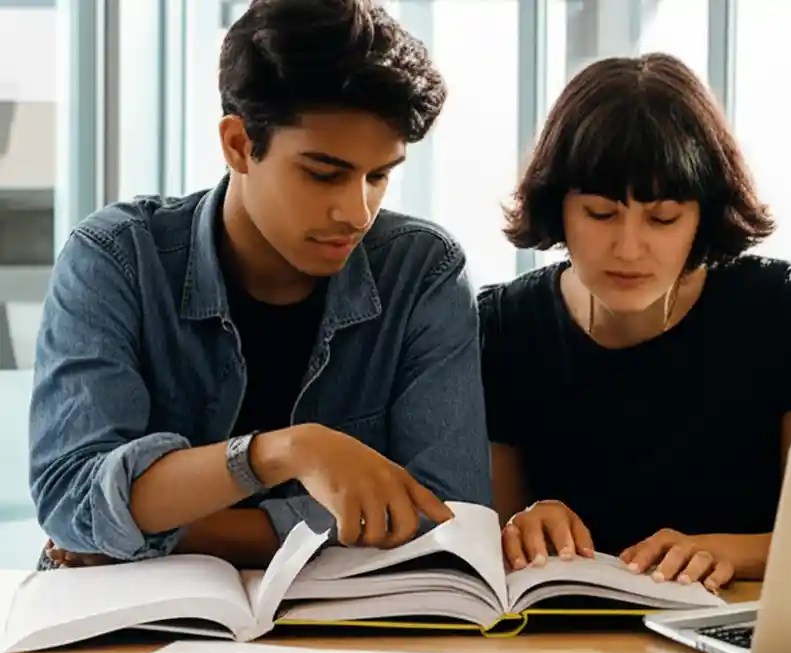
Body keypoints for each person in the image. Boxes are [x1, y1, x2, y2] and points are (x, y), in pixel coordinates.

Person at [30, 0, 490, 570]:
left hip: (361, 636)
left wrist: (172, 527)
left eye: (379, 176)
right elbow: (73, 497)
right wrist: (283, 452)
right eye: (324, 174)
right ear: (239, 145)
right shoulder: (117, 258)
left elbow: (445, 516)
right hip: (136, 631)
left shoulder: (422, 272)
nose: (357, 211)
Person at [481, 53, 791, 593]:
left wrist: (726, 549)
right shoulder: (503, 328)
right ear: (557, 208)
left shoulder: (787, 313)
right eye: (599, 214)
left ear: (703, 215)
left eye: (662, 218)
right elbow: (487, 539)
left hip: (743, 630)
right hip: (561, 647)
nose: (629, 247)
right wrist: (521, 525)